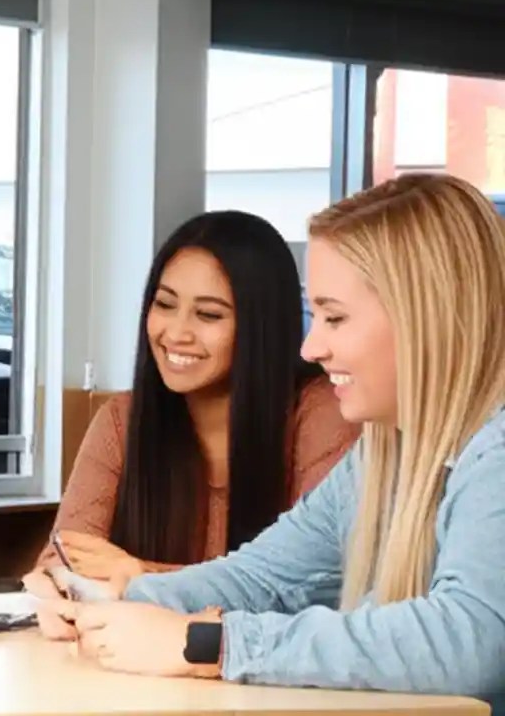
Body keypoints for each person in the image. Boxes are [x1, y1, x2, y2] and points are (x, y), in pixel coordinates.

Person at [52, 173, 505, 709]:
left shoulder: (494, 450)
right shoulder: (385, 454)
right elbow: (264, 577)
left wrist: (210, 645)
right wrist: (108, 600)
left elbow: (472, 642)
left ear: (425, 318)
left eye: (335, 317)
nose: (312, 347)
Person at [24, 211, 359, 628]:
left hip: (264, 682)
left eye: (209, 315)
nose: (176, 332)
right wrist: (61, 587)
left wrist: (138, 577)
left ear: (261, 326)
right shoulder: (121, 421)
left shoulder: (324, 413)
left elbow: (318, 588)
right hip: (135, 670)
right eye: (164, 305)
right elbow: (64, 562)